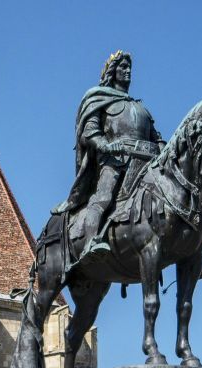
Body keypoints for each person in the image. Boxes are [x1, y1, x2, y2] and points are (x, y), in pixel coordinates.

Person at [55, 50, 165, 265]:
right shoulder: (100, 100)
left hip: (147, 163)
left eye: (129, 68)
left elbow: (156, 137)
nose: (128, 71)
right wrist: (106, 145)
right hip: (115, 161)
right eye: (123, 67)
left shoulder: (140, 108)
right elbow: (90, 131)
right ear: (113, 72)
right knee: (103, 197)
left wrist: (166, 150)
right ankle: (90, 243)